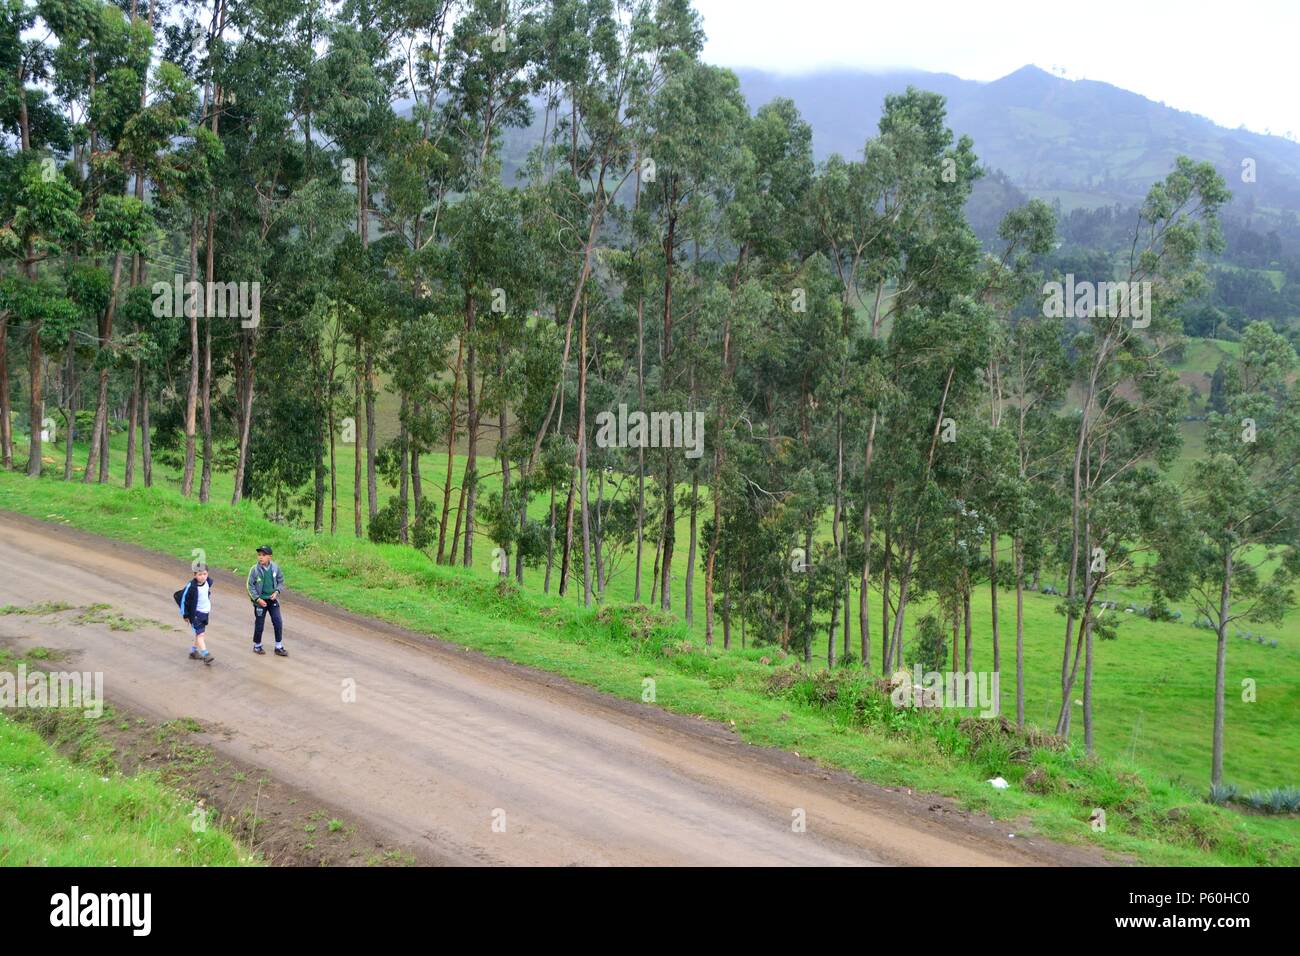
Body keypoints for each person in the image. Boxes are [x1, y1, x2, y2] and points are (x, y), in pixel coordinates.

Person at [247, 545, 288, 657]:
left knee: (278, 621)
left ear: (270, 557)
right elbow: (249, 586)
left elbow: (281, 581)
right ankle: (257, 645)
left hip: (272, 600)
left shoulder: (275, 568)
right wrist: (257, 599)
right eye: (259, 555)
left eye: (263, 555)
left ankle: (278, 646)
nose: (261, 557)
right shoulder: (254, 570)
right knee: (259, 624)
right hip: (260, 602)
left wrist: (276, 592)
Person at [176, 565, 215, 665]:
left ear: (208, 574)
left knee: (199, 633)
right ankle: (206, 654)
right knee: (200, 634)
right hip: (196, 614)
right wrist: (185, 615)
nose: (202, 576)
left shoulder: (208, 582)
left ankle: (193, 651)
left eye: (205, 574)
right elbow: (184, 600)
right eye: (199, 574)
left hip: (205, 613)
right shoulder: (192, 586)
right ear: (195, 575)